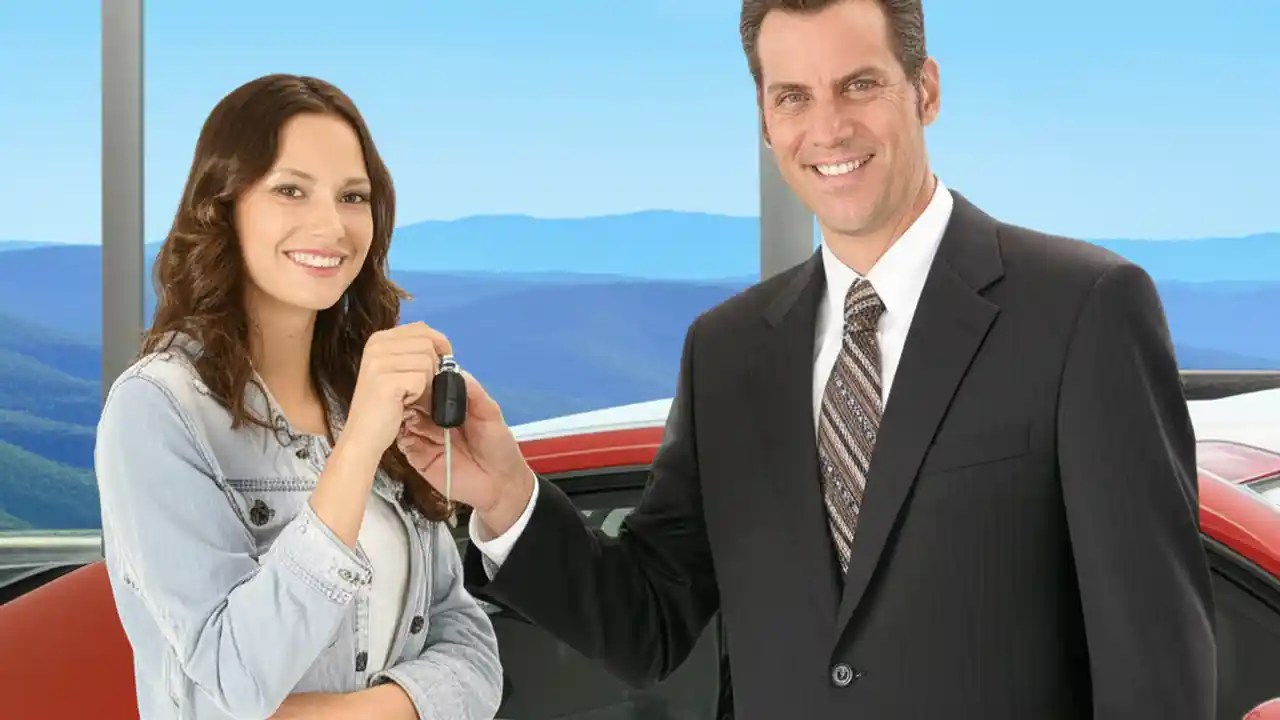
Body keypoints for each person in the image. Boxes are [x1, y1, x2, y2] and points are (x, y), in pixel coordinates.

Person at [398, 1, 1218, 717]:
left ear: (925, 89)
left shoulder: (1082, 310)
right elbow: (648, 626)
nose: (827, 128)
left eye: (859, 84)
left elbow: (1155, 665)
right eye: (793, 97)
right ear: (765, 120)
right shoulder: (725, 353)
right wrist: (507, 494)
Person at [95, 74, 502, 720]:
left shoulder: (359, 392)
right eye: (291, 190)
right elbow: (236, 675)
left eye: (352, 196)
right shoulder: (157, 411)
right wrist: (360, 446)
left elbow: (472, 650)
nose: (331, 225)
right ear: (224, 204)